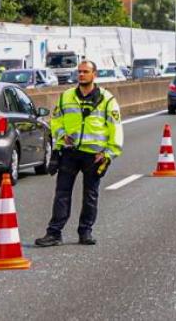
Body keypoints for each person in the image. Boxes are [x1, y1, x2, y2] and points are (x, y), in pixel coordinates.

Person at [35, 61, 122, 247]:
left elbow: (115, 128)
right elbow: (56, 120)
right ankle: (54, 233)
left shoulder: (107, 99)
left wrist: (108, 153)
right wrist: (61, 136)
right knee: (62, 193)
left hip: (94, 155)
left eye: (86, 72)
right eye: (79, 72)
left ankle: (85, 232)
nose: (81, 75)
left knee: (90, 195)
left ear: (94, 74)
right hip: (70, 153)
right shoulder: (66, 96)